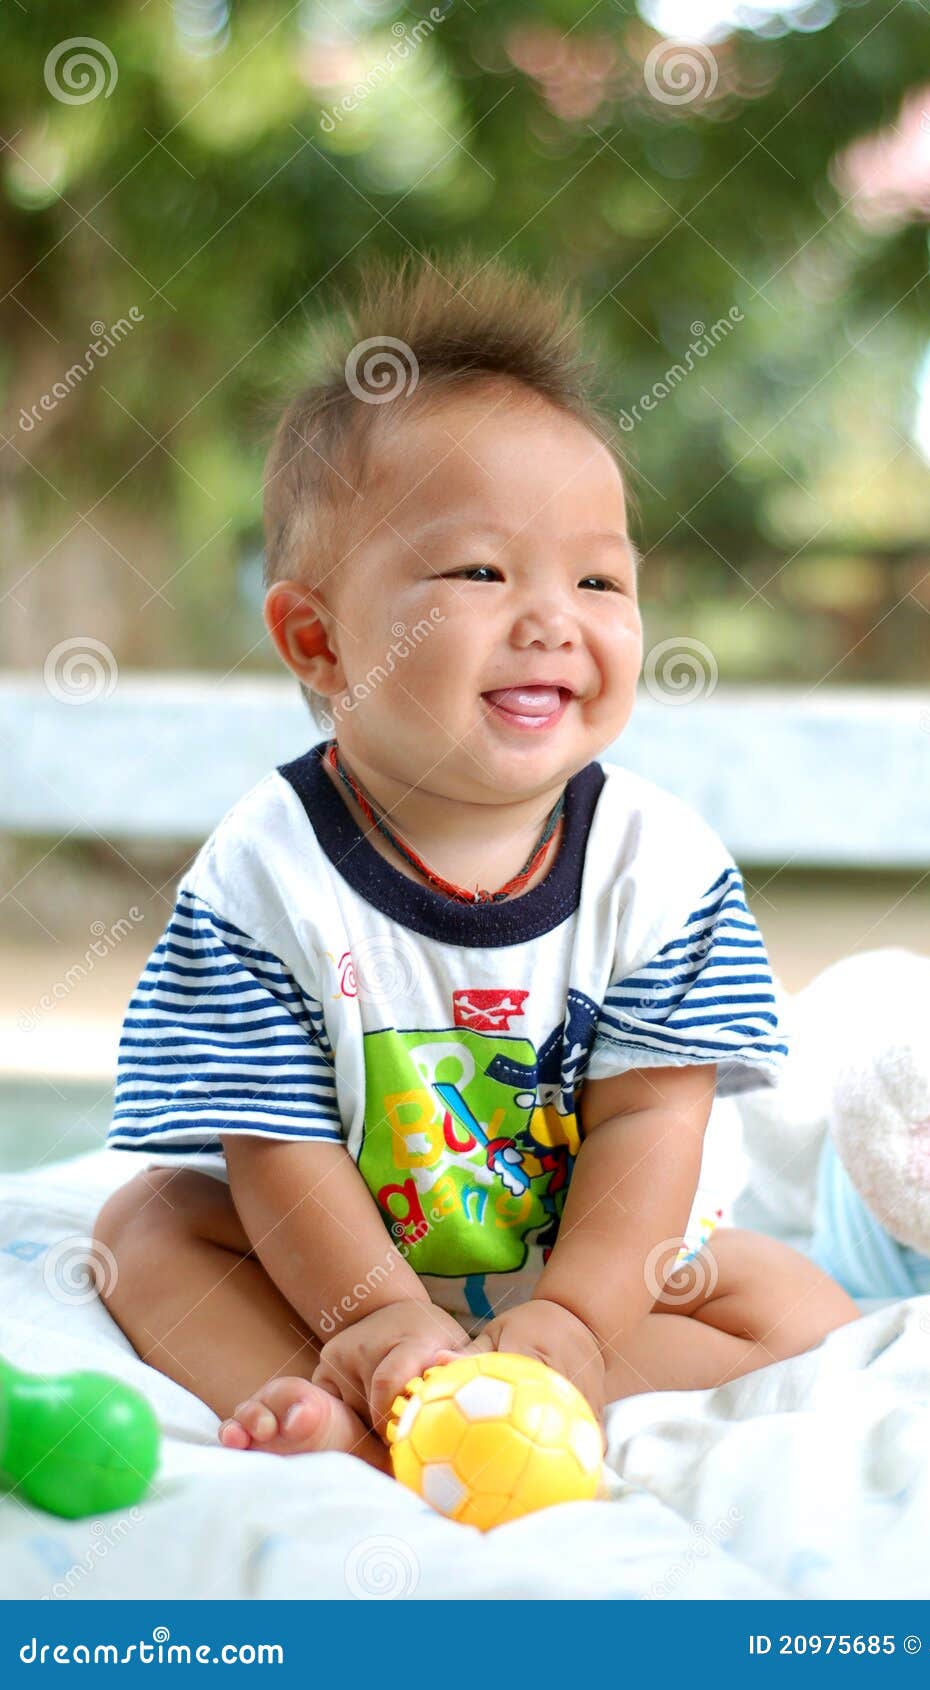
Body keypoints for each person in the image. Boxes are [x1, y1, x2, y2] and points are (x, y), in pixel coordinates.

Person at [92, 248, 859, 1472]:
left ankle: (527, 1393)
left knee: (797, 1307)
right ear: (318, 638)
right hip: (334, 1274)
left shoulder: (658, 868)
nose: (553, 615)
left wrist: (580, 1315)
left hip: (576, 1271)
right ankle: (350, 1403)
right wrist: (380, 1318)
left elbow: (652, 1120)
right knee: (143, 1231)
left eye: (599, 577)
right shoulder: (265, 874)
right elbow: (272, 1151)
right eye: (481, 571)